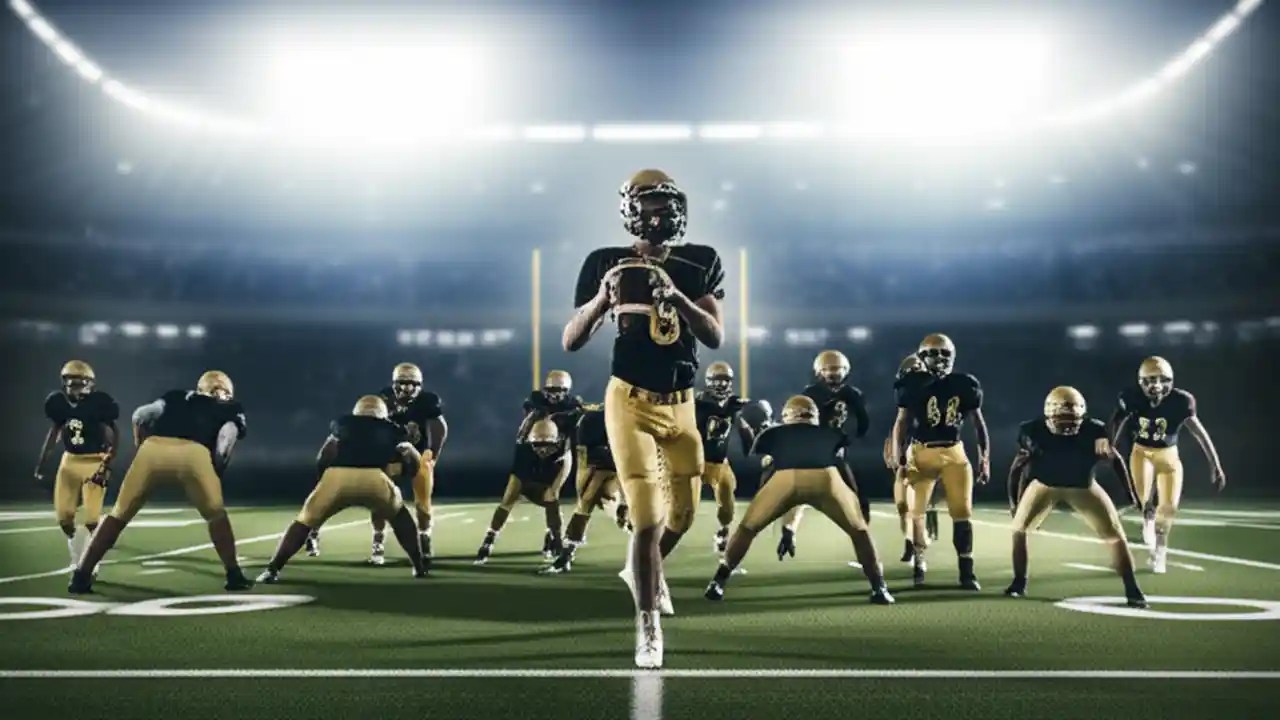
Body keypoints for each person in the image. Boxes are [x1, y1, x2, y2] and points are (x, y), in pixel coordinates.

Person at [562, 168, 725, 668]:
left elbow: (715, 336)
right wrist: (600, 300)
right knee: (649, 519)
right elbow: (571, 340)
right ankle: (648, 624)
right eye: (652, 206)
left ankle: (643, 571)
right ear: (633, 211)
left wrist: (676, 297)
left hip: (682, 403)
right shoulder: (605, 262)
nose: (662, 216)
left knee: (684, 515)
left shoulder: (699, 261)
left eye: (669, 206)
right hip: (629, 401)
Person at [69, 371, 250, 594]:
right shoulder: (231, 407)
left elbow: (140, 416)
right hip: (195, 453)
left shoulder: (174, 396)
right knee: (216, 515)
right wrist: (217, 468)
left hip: (152, 450)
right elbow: (226, 437)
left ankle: (81, 575)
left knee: (117, 515)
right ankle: (234, 574)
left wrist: (140, 444)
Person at [1006, 387, 1147, 608]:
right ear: (1048, 415)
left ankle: (1132, 588)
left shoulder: (1094, 430)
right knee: (1018, 530)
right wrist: (1015, 502)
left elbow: (1116, 460)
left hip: (1083, 486)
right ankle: (1019, 582)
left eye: (1072, 420)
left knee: (1115, 535)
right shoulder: (1032, 431)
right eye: (1061, 419)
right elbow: (1018, 469)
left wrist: (1131, 493)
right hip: (1045, 485)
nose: (1067, 425)